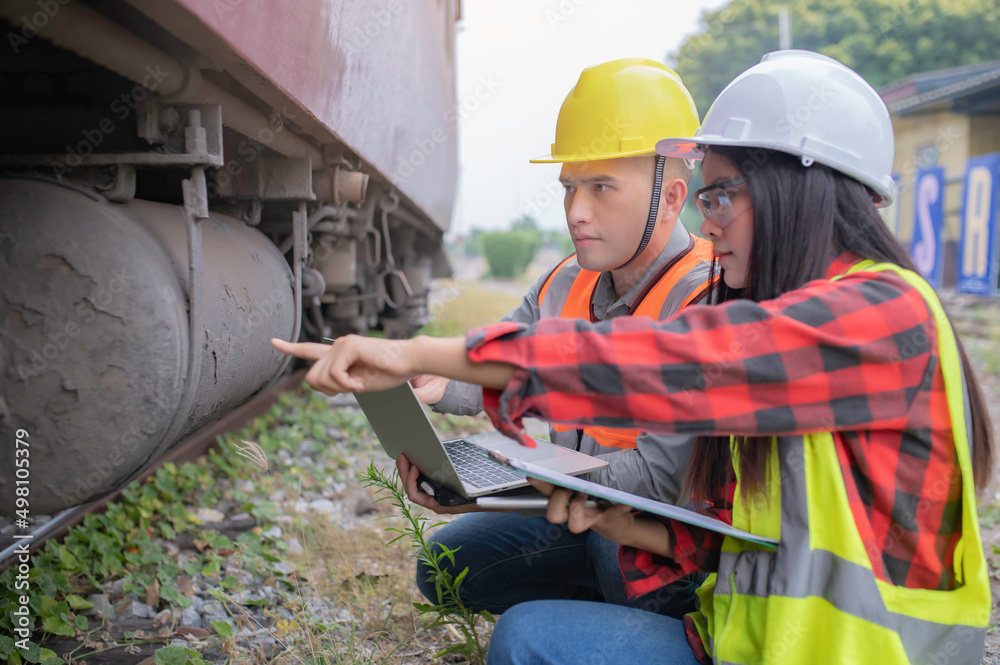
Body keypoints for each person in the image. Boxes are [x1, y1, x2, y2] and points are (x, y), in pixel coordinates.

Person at [274, 50, 994, 665]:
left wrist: (413, 352)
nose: (708, 221)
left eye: (720, 197)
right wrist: (605, 518)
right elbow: (737, 541)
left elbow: (667, 364)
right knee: (522, 609)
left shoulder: (878, 317)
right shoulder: (790, 317)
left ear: (794, 190)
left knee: (529, 635)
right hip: (745, 641)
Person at [402, 58, 713, 618]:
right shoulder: (566, 279)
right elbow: (500, 361)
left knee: (616, 545)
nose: (576, 212)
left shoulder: (705, 296)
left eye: (601, 187)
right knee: (443, 566)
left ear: (671, 199)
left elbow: (656, 481)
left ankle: (651, 635)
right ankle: (592, 621)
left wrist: (505, 482)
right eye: (570, 187)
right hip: (580, 510)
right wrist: (437, 380)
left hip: (659, 537)